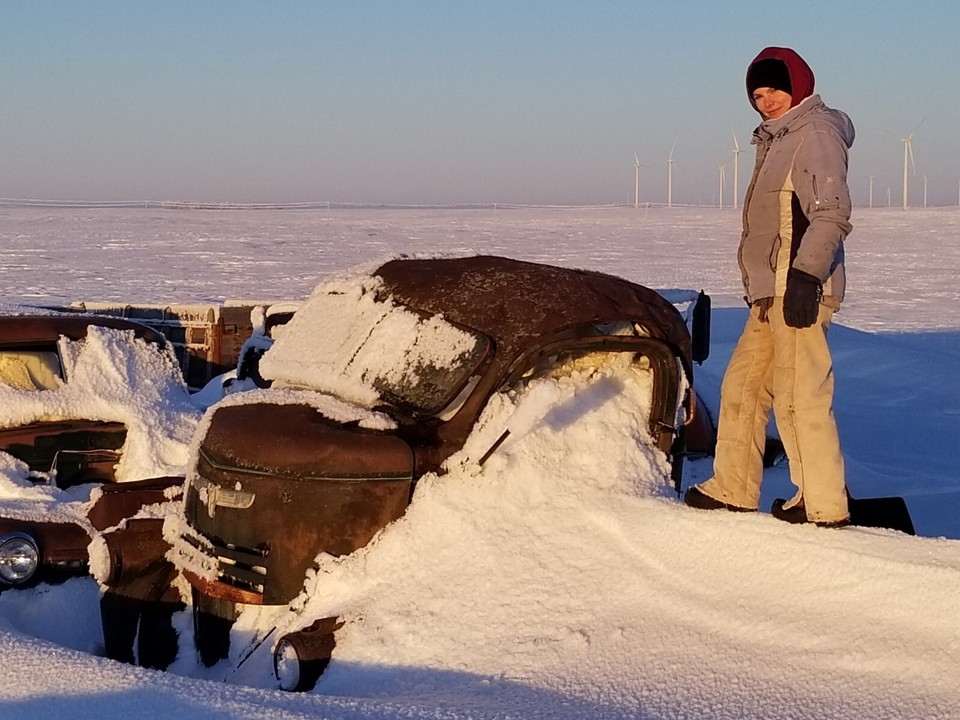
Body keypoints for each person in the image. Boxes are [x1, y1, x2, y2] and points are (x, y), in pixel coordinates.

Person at [684, 46, 855, 527]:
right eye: (757, 94)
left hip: (798, 287)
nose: (766, 100)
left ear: (797, 85)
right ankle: (733, 487)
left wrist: (805, 276)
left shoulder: (814, 133)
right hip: (769, 292)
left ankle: (822, 505)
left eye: (774, 89)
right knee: (743, 387)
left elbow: (830, 213)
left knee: (800, 396)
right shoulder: (776, 138)